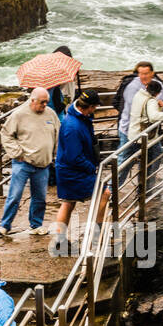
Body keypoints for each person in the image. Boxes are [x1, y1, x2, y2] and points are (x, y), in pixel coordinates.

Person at [0, 87, 59, 238]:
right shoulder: (19, 114)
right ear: (33, 100)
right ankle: (5, 226)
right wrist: (17, 153)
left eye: (46, 102)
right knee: (15, 195)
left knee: (40, 197)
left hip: (43, 164)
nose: (45, 105)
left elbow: (58, 133)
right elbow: (6, 134)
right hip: (23, 163)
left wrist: (55, 154)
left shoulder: (51, 113)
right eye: (42, 102)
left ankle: (36, 225)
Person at [52, 88, 109, 242]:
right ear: (89, 107)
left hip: (67, 169)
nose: (95, 110)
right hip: (74, 171)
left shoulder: (78, 117)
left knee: (68, 203)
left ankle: (59, 239)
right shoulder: (73, 127)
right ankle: (97, 234)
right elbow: (74, 157)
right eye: (95, 107)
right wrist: (91, 168)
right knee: (104, 194)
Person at [116, 61, 163, 183]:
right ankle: (110, 191)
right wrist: (157, 105)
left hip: (149, 133)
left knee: (155, 155)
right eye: (141, 74)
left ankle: (146, 188)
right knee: (124, 163)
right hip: (130, 131)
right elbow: (139, 110)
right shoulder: (132, 87)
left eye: (146, 73)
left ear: (152, 73)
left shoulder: (157, 85)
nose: (144, 76)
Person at [129, 78, 163, 172]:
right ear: (157, 93)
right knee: (154, 156)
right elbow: (153, 117)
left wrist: (158, 107)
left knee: (144, 159)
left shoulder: (139, 95)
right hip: (146, 136)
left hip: (134, 133)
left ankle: (144, 181)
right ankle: (149, 181)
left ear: (146, 87)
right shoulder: (151, 101)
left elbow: (145, 113)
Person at [47, 45, 79, 117]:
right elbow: (62, 104)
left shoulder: (53, 78)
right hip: (63, 113)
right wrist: (67, 100)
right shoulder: (69, 74)